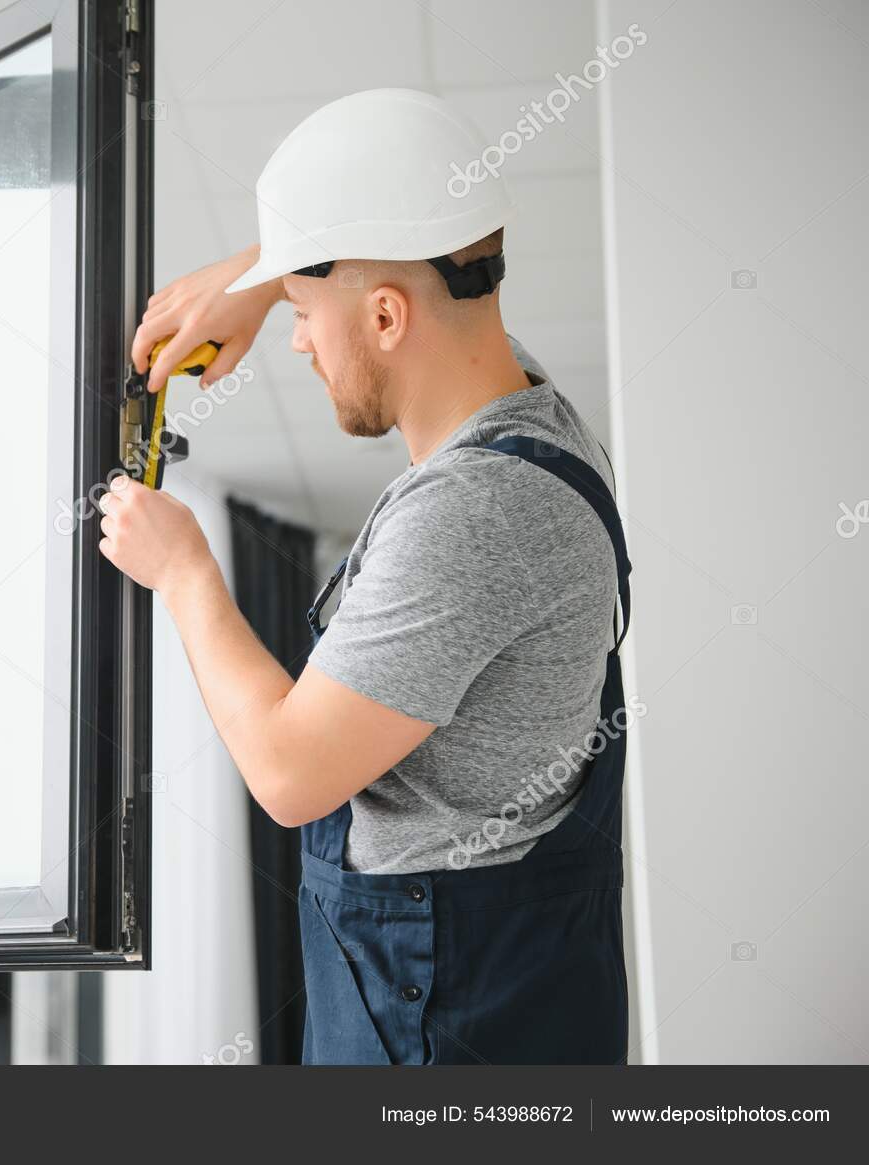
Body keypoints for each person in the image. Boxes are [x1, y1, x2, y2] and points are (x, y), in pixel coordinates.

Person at [96, 88, 634, 1064]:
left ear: (385, 314)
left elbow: (291, 773)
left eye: (302, 314)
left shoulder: (471, 515)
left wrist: (182, 572)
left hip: (441, 1022)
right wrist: (266, 278)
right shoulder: (530, 410)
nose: (296, 340)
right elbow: (430, 240)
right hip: (485, 984)